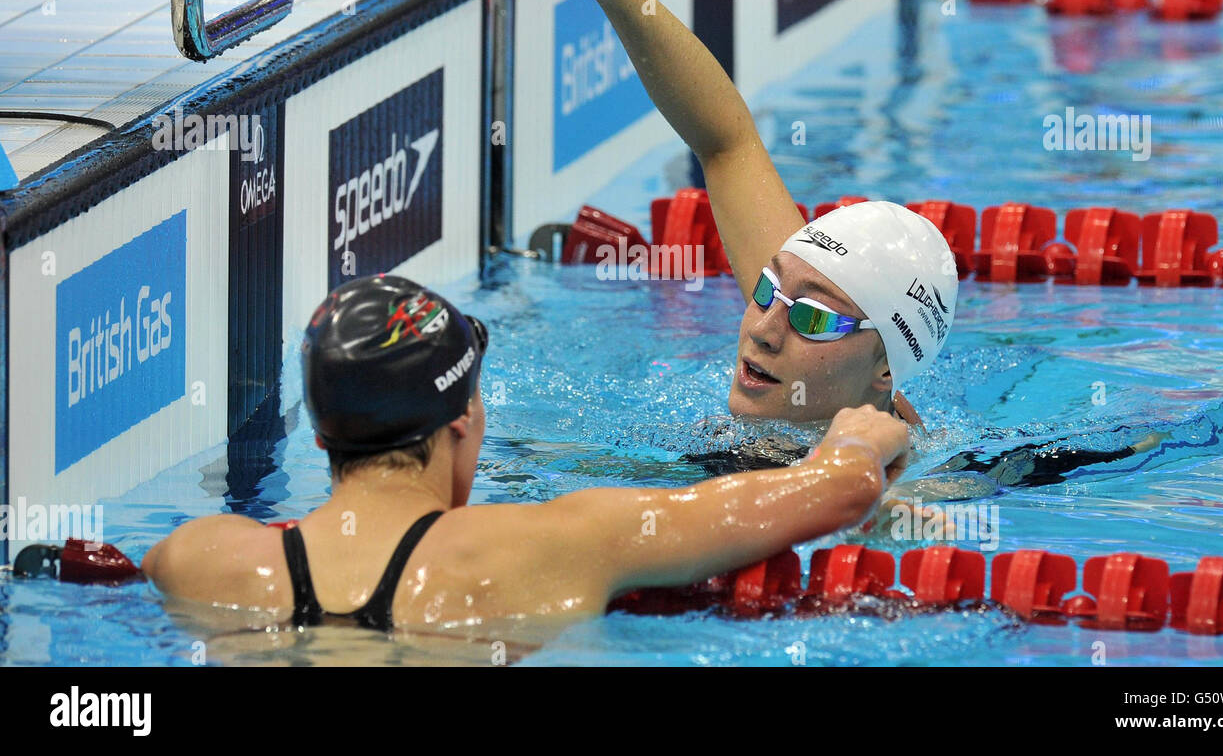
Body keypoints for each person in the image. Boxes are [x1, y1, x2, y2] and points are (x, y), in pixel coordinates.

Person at [143, 275, 910, 631]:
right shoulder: (549, 544)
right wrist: (857, 441)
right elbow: (833, 493)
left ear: (318, 438)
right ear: (464, 420)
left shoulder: (200, 559)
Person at [476, 0, 958, 429]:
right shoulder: (810, 320)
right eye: (763, 288)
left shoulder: (904, 497)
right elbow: (726, 142)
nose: (763, 331)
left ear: (886, 370)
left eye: (814, 319)